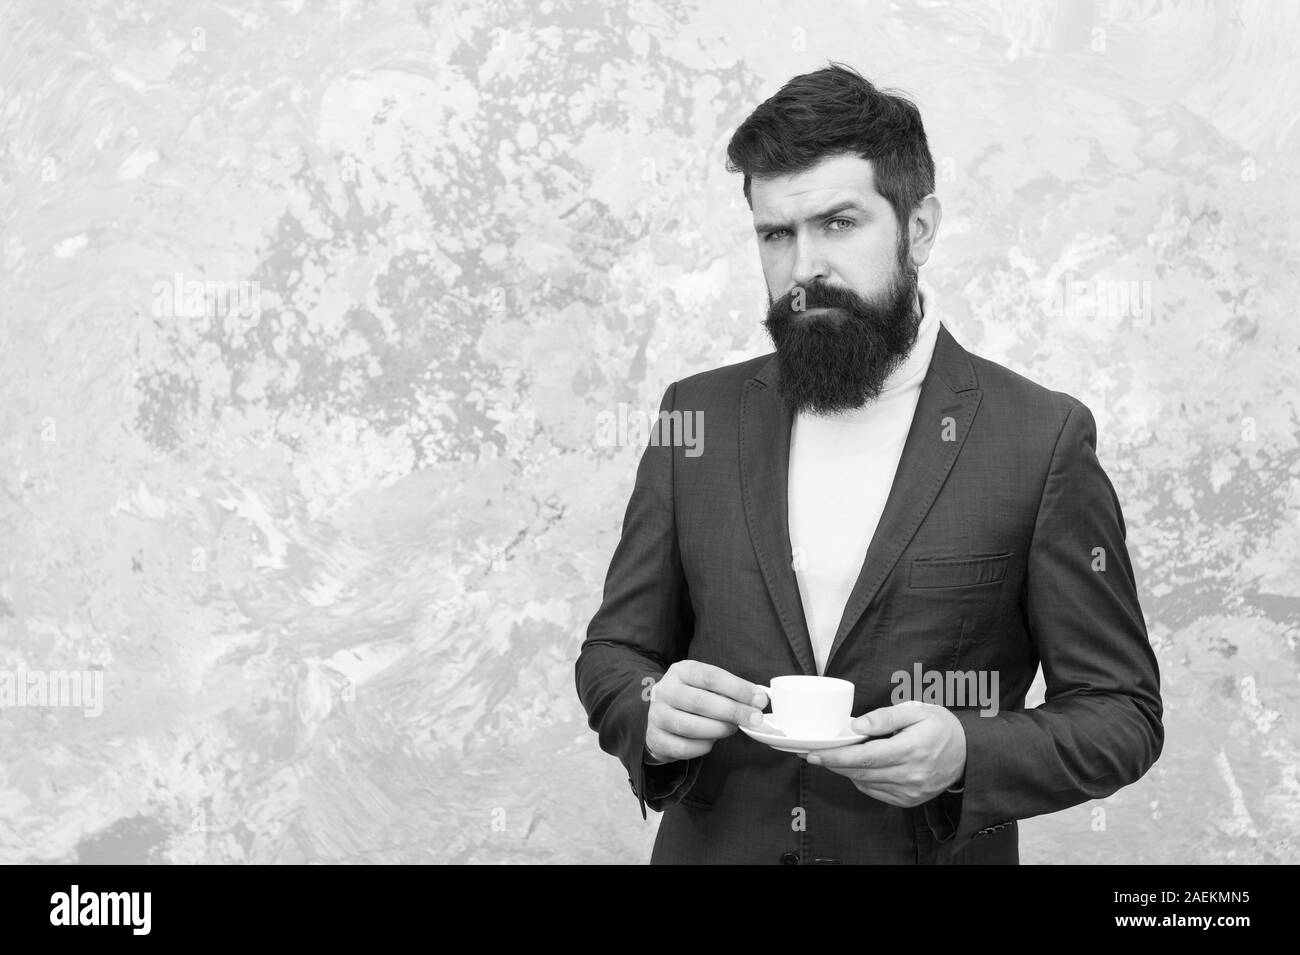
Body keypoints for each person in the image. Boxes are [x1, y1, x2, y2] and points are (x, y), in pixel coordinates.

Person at [574, 62, 1163, 864]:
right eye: (777, 234)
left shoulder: (1041, 437)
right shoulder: (695, 415)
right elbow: (615, 652)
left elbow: (1121, 712)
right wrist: (649, 710)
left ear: (918, 228)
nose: (804, 268)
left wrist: (965, 753)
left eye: (839, 223)